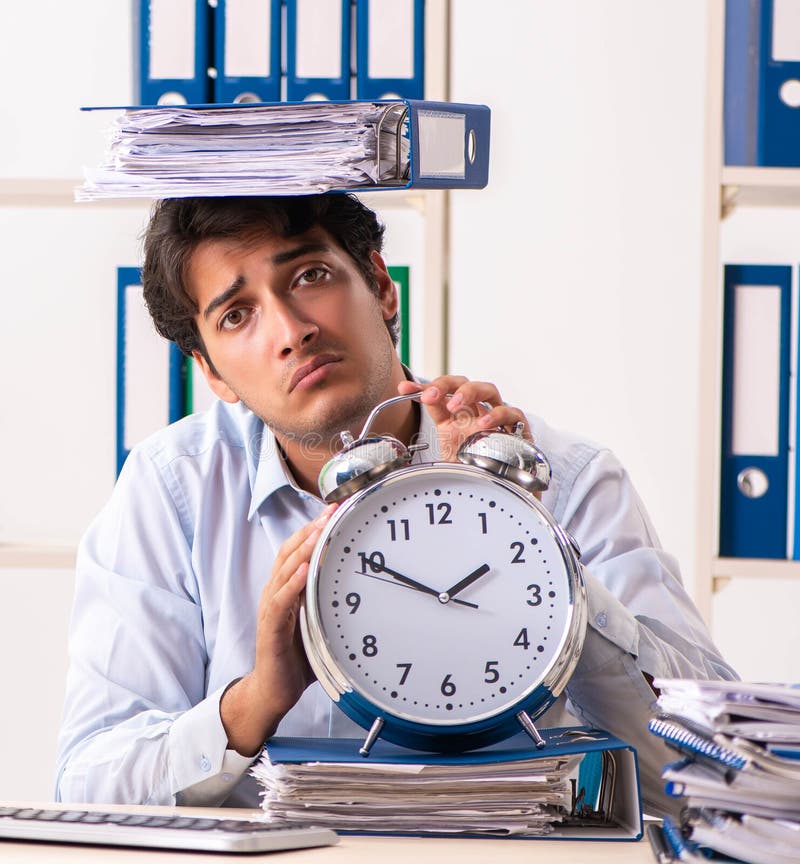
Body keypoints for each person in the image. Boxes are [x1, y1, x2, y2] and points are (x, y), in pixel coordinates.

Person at [55, 194, 736, 816]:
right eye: (238, 315)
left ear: (381, 286)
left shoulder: (566, 477)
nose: (291, 330)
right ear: (210, 371)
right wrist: (256, 699)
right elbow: (87, 784)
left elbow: (707, 775)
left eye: (310, 277)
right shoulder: (171, 491)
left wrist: (538, 550)